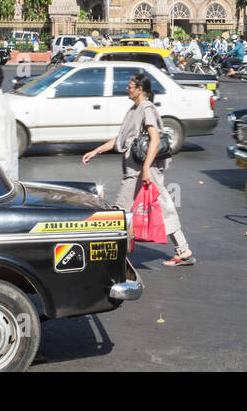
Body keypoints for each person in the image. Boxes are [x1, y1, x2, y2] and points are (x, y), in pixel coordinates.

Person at [82, 73, 193, 266]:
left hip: (141, 172)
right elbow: (121, 139)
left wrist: (146, 169)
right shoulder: (134, 109)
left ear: (140, 90)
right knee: (162, 209)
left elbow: (155, 139)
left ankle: (109, 256)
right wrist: (96, 151)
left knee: (120, 211)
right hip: (137, 171)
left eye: (130, 85)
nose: (127, 88)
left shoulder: (146, 109)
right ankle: (182, 249)